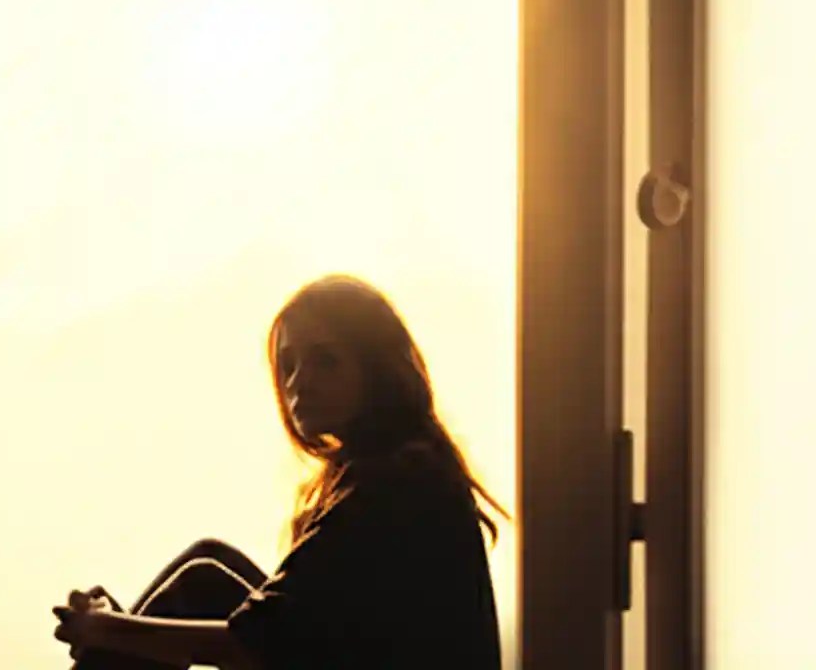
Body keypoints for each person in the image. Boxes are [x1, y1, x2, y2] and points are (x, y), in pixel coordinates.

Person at [53, 274, 508, 669]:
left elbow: (256, 646)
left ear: (376, 367)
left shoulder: (394, 484)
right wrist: (121, 628)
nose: (298, 381)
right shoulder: (398, 467)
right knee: (210, 565)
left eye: (325, 360)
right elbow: (292, 636)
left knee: (202, 583)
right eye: (289, 365)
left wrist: (105, 629)